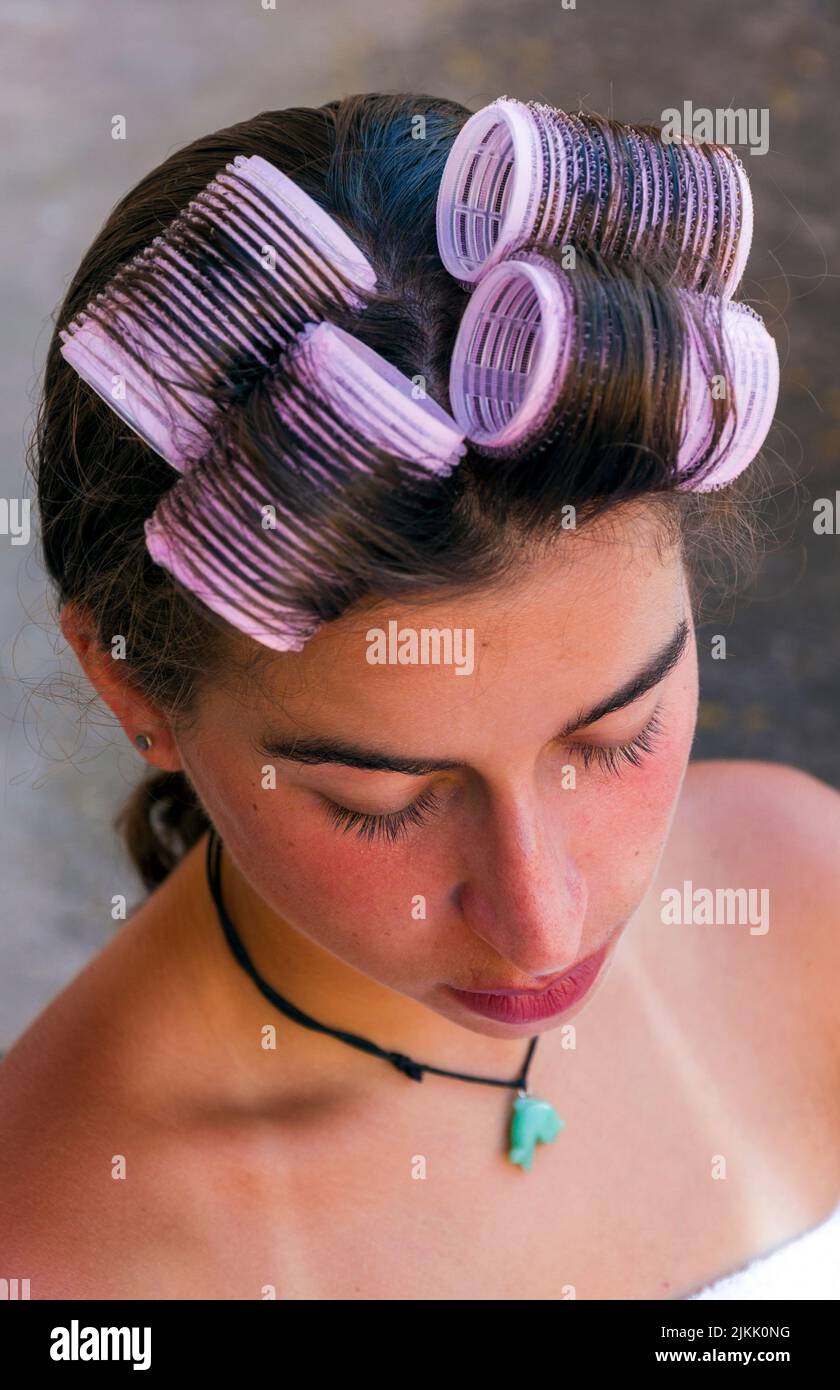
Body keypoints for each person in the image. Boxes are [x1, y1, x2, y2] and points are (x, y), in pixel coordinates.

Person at [1, 92, 838, 1301]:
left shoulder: (812, 894)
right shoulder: (67, 1271)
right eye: (382, 802)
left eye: (616, 736)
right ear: (132, 686)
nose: (542, 921)